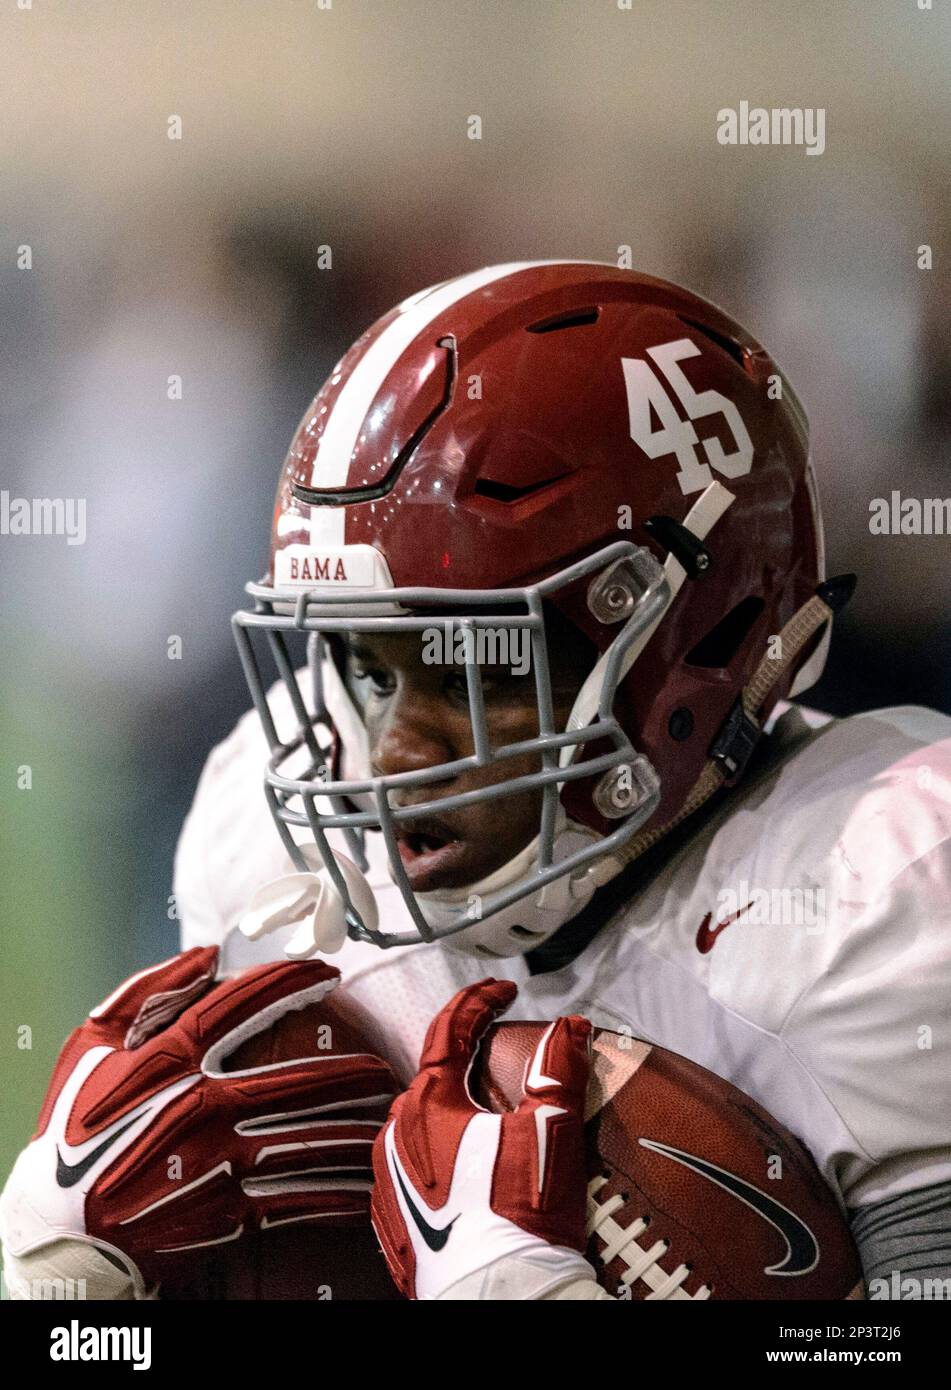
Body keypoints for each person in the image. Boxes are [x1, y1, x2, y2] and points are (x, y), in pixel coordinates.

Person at [4, 262, 949, 1300]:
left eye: (483, 667)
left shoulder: (878, 886)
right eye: (369, 665)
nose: (398, 752)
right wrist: (60, 1306)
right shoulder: (277, 849)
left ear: (702, 633)